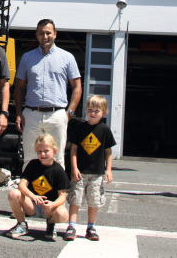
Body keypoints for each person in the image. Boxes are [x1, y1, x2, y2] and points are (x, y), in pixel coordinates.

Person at [14, 18, 82, 167]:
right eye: (41, 33)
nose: (45, 36)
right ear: (36, 35)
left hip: (57, 115)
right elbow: (19, 87)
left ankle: (56, 184)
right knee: (30, 159)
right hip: (31, 115)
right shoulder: (27, 58)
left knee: (57, 159)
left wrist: (69, 113)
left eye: (48, 33)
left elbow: (77, 87)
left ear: (55, 34)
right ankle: (29, 183)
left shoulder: (67, 58)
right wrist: (19, 113)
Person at [64, 95, 116, 242]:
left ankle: (91, 227)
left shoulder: (105, 130)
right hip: (80, 172)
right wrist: (74, 168)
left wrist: (108, 169)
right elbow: (73, 149)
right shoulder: (80, 128)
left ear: (104, 113)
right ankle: (71, 226)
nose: (93, 113)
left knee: (94, 201)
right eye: (90, 110)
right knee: (75, 199)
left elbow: (108, 151)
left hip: (97, 173)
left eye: (97, 111)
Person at [5, 133, 69, 241]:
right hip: (32, 205)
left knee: (63, 215)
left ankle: (51, 224)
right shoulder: (33, 164)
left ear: (55, 150)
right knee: (13, 194)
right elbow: (21, 185)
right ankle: (21, 224)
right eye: (39, 152)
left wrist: (52, 205)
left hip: (48, 207)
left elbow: (62, 196)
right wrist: (32, 196)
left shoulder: (58, 170)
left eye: (46, 151)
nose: (43, 154)